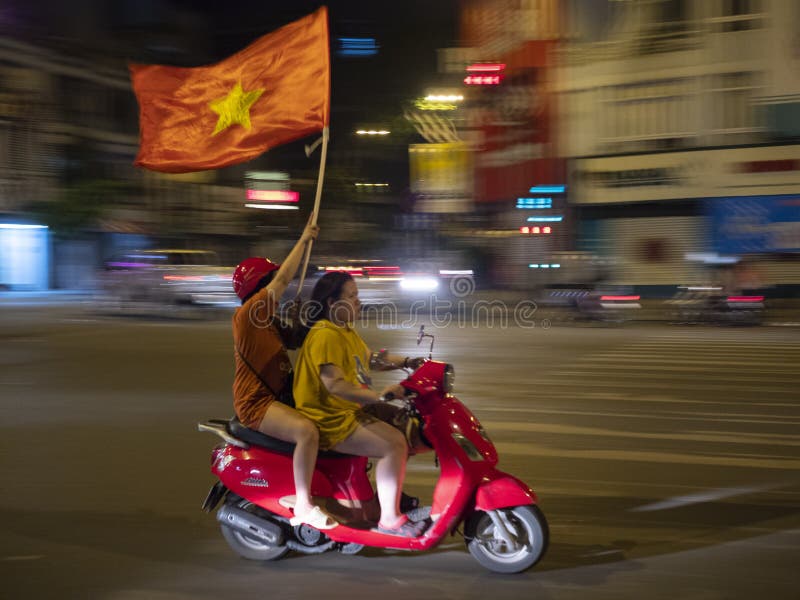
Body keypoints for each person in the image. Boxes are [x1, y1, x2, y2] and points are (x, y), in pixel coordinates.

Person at [292, 271, 428, 538]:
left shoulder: (344, 331)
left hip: (349, 409)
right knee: (394, 444)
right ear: (332, 303)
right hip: (329, 417)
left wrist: (408, 362)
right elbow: (335, 386)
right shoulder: (325, 334)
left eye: (357, 296)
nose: (358, 302)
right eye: (352, 296)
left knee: (412, 429)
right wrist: (379, 397)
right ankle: (389, 520)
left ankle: (386, 497)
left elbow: (372, 359)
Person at [231, 213, 337, 530]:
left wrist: (304, 318)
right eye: (270, 282)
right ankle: (304, 506)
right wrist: (305, 239)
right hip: (256, 404)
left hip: (278, 397)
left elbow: (297, 340)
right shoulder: (249, 314)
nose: (277, 288)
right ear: (259, 287)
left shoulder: (268, 320)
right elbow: (282, 281)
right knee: (306, 432)